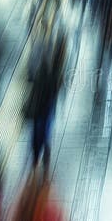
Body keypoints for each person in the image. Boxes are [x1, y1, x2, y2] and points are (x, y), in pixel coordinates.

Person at [24, 23, 66, 175]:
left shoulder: (35, 49)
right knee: (47, 124)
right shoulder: (53, 47)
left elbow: (28, 74)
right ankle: (45, 157)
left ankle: (35, 160)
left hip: (38, 96)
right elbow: (58, 76)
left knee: (36, 127)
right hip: (49, 96)